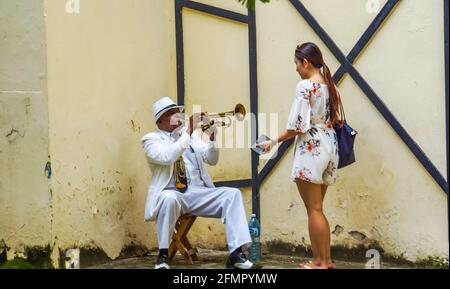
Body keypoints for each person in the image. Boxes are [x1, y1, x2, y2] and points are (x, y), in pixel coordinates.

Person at [142, 97, 262, 269]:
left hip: (199, 192)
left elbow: (211, 160)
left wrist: (212, 139)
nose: (177, 116)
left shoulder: (189, 136)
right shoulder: (151, 139)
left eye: (177, 111)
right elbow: (167, 156)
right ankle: (162, 256)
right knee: (169, 198)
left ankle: (237, 255)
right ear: (159, 120)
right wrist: (189, 130)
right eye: (170, 114)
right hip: (174, 193)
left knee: (232, 194)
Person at [257, 42, 342, 269]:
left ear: (305, 62)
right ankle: (326, 261)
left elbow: (297, 125)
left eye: (296, 63)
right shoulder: (330, 86)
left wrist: (272, 141)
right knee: (318, 208)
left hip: (311, 147)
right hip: (330, 146)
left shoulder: (305, 86)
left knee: (313, 209)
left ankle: (319, 262)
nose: (295, 68)